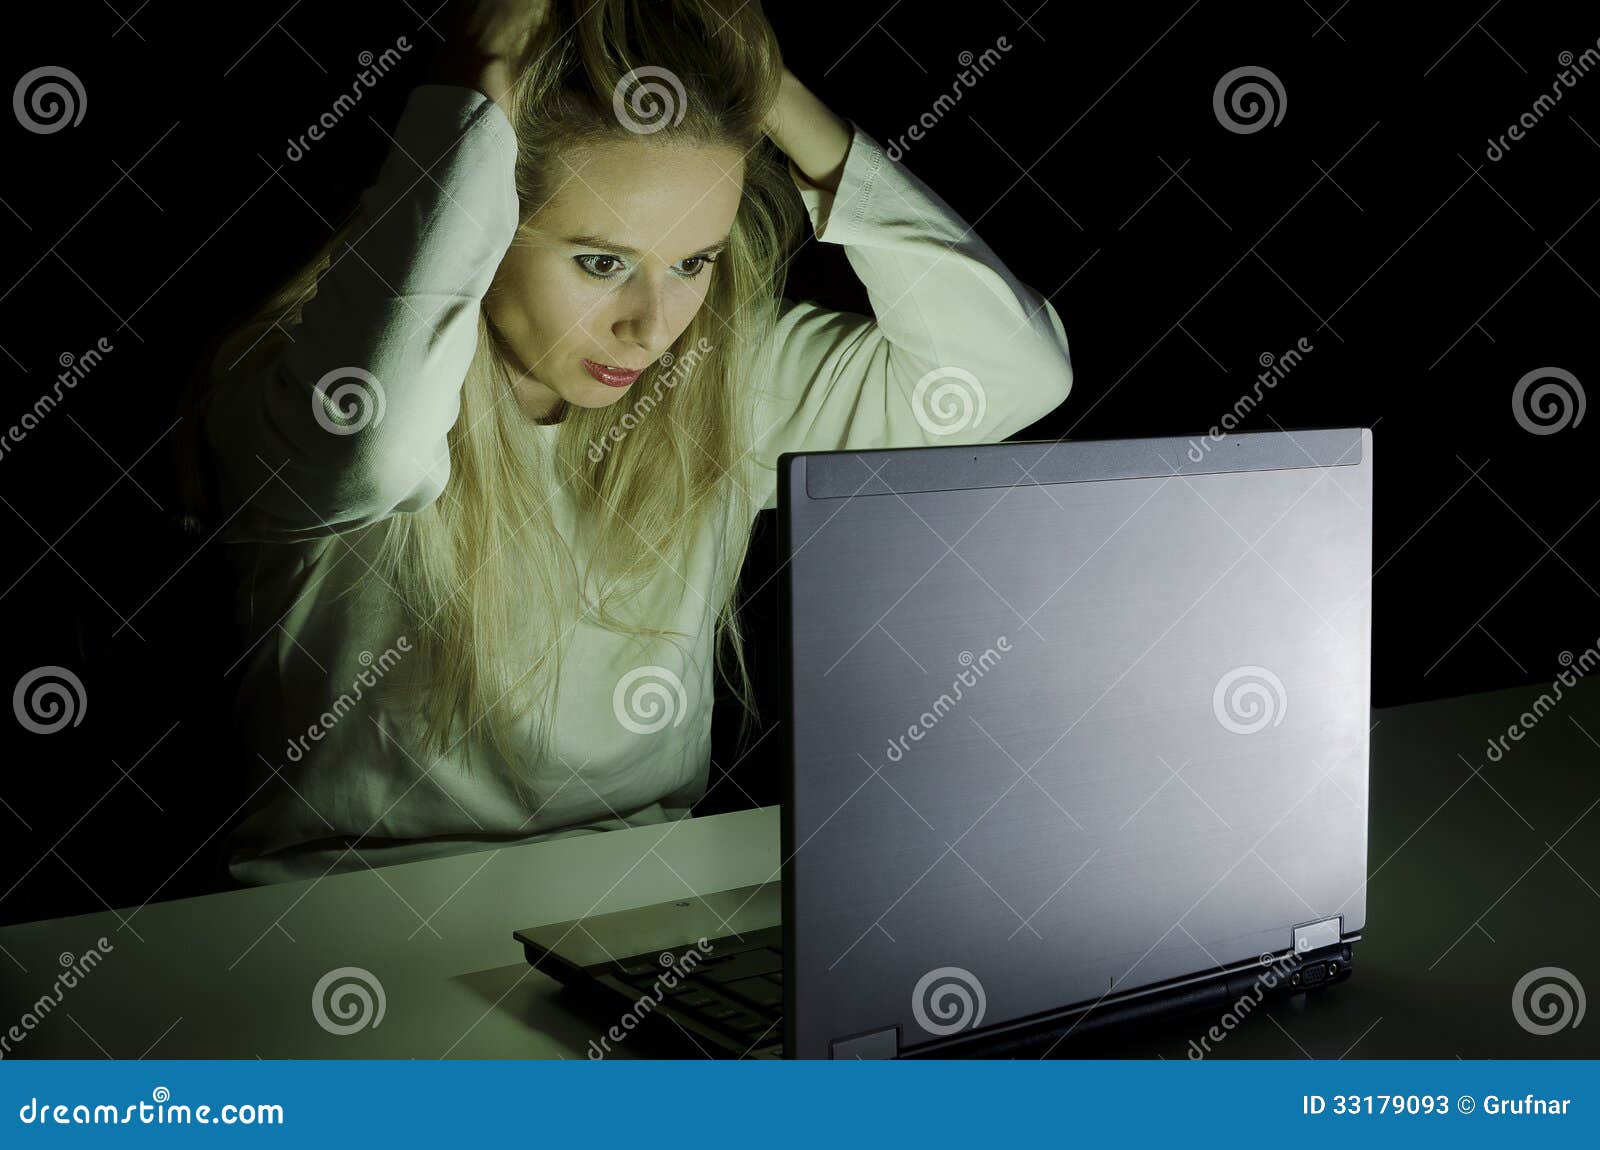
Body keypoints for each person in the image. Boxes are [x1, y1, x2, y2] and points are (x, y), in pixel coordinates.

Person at [174, 0, 1074, 885]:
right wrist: (477, 78)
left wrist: (774, 98)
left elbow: (1016, 373)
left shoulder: (727, 377)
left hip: (645, 897)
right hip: (350, 924)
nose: (652, 328)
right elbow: (368, 448)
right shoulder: (297, 385)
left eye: (693, 262)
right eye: (601, 262)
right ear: (477, 215)